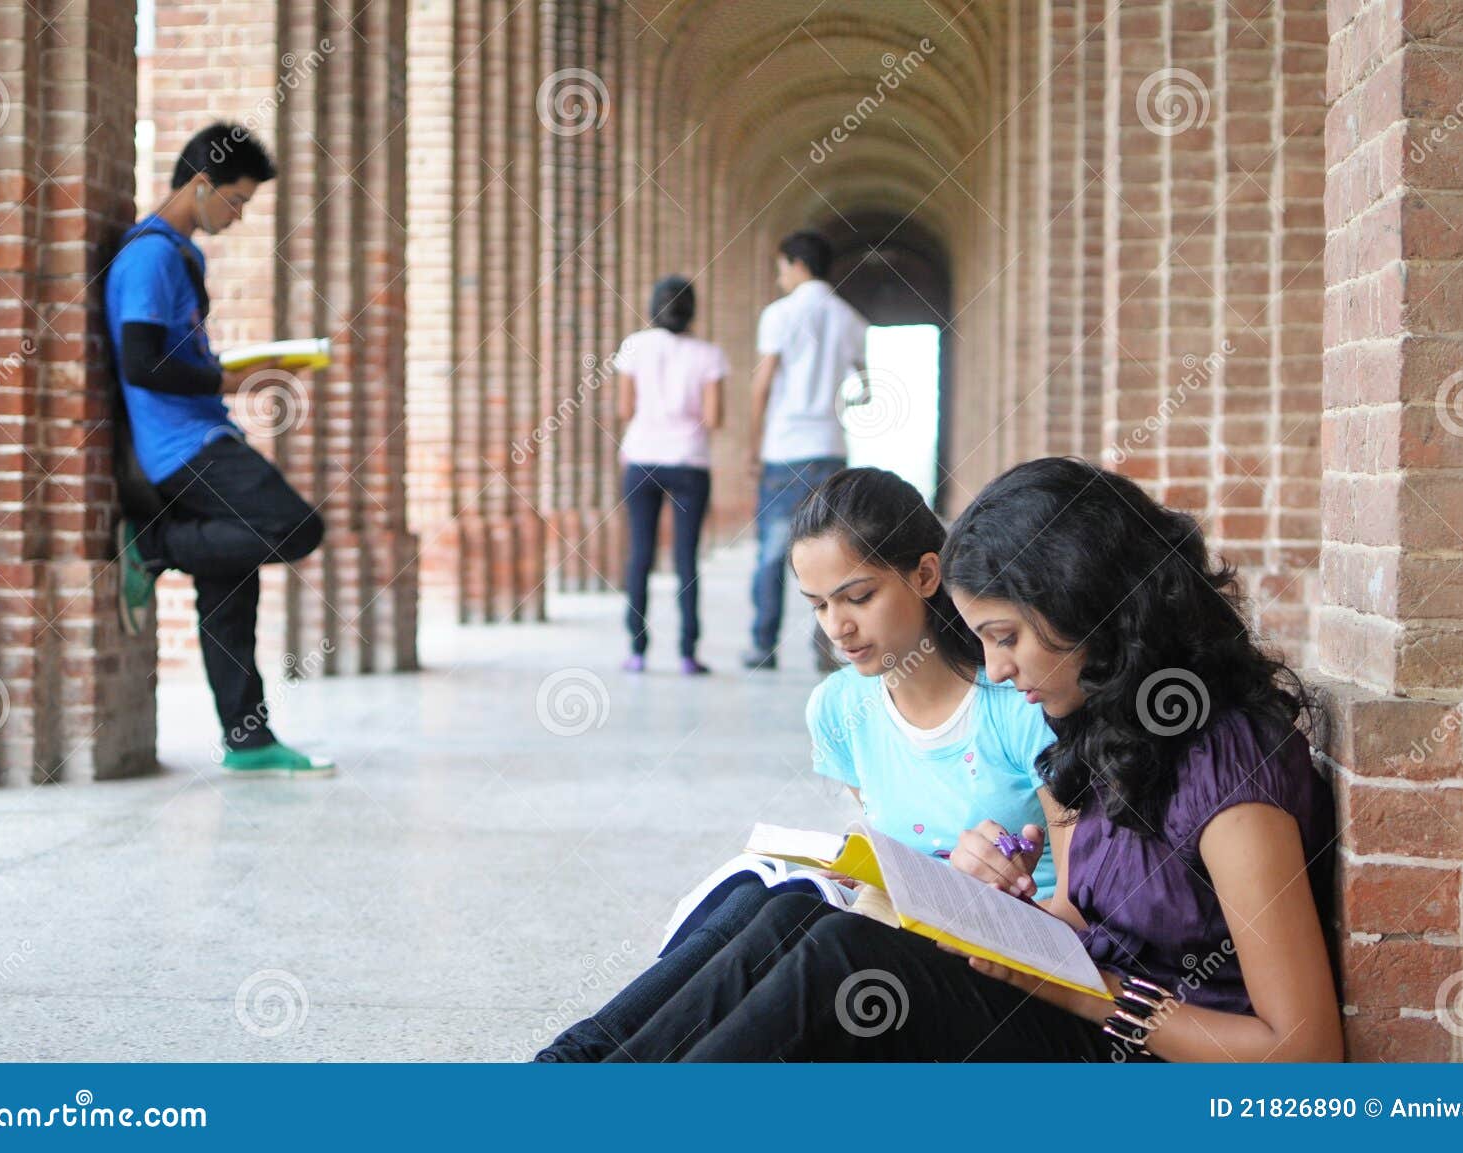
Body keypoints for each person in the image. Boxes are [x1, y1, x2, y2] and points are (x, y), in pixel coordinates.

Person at [598, 457, 1342, 1062]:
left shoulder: (1231, 773)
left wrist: (1093, 991)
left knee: (846, 961)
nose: (997, 666)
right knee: (794, 912)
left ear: (1090, 606)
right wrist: (994, 912)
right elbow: (1084, 918)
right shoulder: (1107, 727)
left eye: (1008, 636)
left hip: (1143, 1061)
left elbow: (1303, 1052)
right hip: (1077, 1019)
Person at [534, 468, 1056, 1061]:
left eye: (859, 597)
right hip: (902, 922)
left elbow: (1086, 898)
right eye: (819, 605)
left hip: (996, 954)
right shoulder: (840, 708)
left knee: (812, 933)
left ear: (926, 574)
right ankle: (573, 1063)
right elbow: (892, 843)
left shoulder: (1019, 706)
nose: (839, 627)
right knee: (771, 898)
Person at [106, 123, 332, 777]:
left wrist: (243, 369)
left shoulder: (185, 256)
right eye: (235, 200)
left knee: (232, 590)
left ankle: (249, 738)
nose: (238, 216)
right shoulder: (148, 257)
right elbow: (144, 364)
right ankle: (151, 547)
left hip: (205, 429)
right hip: (182, 445)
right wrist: (229, 379)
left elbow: (177, 354)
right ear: (200, 185)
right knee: (294, 526)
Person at [743, 230, 871, 673]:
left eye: (781, 268)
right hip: (830, 449)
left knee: (772, 553)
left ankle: (763, 645)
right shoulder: (850, 318)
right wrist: (837, 405)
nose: (780, 278)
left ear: (798, 265)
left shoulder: (779, 315)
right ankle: (828, 646)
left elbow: (761, 384)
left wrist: (752, 445)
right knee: (833, 554)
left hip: (784, 449)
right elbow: (866, 390)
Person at [613, 277, 726, 675]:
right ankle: (687, 653)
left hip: (642, 458)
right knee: (685, 558)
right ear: (692, 311)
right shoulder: (709, 355)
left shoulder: (633, 346)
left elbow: (624, 409)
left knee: (640, 554)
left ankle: (637, 650)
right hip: (689, 461)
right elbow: (714, 418)